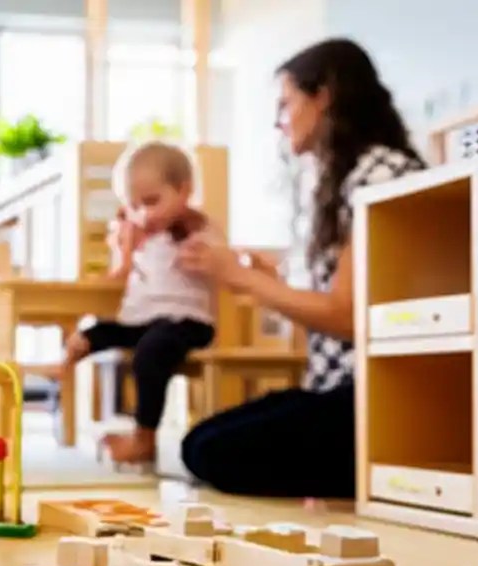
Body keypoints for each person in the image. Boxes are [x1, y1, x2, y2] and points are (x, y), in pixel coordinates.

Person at [176, 38, 426, 498]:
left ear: (324, 95)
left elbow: (348, 316)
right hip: (338, 385)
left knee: (209, 450)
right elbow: (333, 311)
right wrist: (266, 282)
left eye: (286, 102)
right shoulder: (349, 178)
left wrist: (242, 278)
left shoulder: (380, 176)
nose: (278, 119)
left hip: (381, 393)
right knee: (202, 442)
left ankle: (384, 475)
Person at [62, 140, 216, 464]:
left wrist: (210, 256)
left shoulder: (196, 230)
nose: (142, 214)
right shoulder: (141, 237)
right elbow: (118, 277)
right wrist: (125, 249)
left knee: (150, 352)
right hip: (143, 320)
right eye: (133, 206)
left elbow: (223, 262)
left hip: (185, 321)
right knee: (97, 331)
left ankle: (144, 438)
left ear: (184, 190)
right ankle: (62, 368)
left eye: (151, 202)